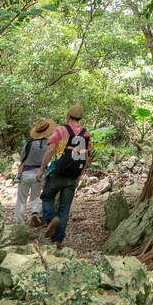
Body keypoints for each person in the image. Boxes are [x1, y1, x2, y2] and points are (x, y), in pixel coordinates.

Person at [37, 105, 92, 248]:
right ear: (80, 118)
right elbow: (87, 157)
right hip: (73, 175)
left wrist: (41, 169)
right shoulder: (87, 134)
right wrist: (80, 173)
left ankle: (51, 218)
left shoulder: (61, 130)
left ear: (68, 116)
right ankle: (57, 240)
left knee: (47, 197)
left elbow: (50, 150)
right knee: (65, 208)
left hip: (57, 172)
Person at [13, 119, 53, 225]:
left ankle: (19, 222)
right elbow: (49, 158)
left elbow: (22, 158)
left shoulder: (29, 143)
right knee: (35, 195)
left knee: (21, 199)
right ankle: (35, 212)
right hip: (40, 174)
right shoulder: (49, 144)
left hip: (26, 173)